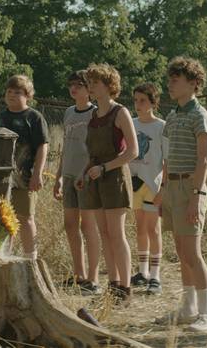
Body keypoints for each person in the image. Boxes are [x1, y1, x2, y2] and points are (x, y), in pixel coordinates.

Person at [154, 57, 207, 332]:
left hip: (191, 188)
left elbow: (204, 159)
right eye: (169, 80)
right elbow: (167, 158)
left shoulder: (200, 116)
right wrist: (163, 190)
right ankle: (188, 308)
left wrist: (196, 195)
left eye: (175, 80)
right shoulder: (172, 116)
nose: (170, 85)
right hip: (172, 188)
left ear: (194, 83)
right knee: (181, 252)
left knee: (192, 253)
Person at [75, 63, 138, 305]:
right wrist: (83, 173)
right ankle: (113, 287)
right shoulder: (93, 115)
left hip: (115, 178)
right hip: (95, 178)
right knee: (104, 233)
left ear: (109, 86)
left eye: (95, 83)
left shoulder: (120, 112)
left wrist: (104, 168)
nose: (90, 87)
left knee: (116, 234)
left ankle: (126, 289)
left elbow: (132, 151)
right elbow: (93, 153)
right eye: (89, 83)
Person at [53, 71, 101, 295]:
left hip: (87, 177)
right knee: (70, 224)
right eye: (71, 85)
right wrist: (59, 176)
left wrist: (86, 172)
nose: (73, 89)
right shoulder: (69, 112)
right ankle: (79, 275)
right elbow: (66, 147)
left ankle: (93, 278)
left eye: (79, 85)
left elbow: (97, 148)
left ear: (89, 89)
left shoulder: (95, 113)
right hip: (69, 175)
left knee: (87, 226)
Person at [0, 75, 49, 260]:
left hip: (25, 177)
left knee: (25, 217)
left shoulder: (34, 117)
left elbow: (42, 146)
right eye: (9, 91)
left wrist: (38, 174)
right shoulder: (0, 118)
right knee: (2, 216)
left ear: (28, 96)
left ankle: (30, 259)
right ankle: (3, 257)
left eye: (17, 92)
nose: (12, 95)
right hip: (0, 177)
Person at [128, 83, 167, 295]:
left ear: (153, 102)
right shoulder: (131, 123)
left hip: (153, 184)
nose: (138, 104)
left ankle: (155, 276)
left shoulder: (161, 127)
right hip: (134, 184)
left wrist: (164, 188)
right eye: (136, 100)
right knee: (140, 227)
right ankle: (142, 272)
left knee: (154, 229)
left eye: (143, 100)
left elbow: (167, 160)